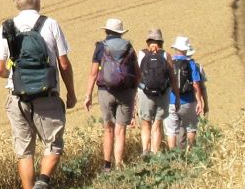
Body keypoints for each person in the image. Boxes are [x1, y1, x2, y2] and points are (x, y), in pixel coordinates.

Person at [0, 0, 76, 189]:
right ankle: (43, 182)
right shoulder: (50, 24)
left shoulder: (7, 27)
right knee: (53, 145)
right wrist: (71, 93)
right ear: (38, 1)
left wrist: (17, 77)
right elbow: (64, 64)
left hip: (17, 98)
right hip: (47, 95)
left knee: (24, 151)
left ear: (17, 3)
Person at [84, 16, 138, 172]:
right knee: (121, 130)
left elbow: (93, 73)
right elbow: (137, 72)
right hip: (126, 92)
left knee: (108, 129)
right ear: (120, 33)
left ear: (106, 31)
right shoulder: (129, 47)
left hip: (105, 91)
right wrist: (134, 93)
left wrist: (88, 95)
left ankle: (107, 166)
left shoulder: (101, 47)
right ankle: (119, 165)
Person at [134, 28, 174, 157]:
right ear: (161, 42)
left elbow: (137, 76)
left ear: (148, 41)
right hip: (162, 94)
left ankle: (145, 150)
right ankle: (155, 153)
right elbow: (172, 77)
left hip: (145, 93)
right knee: (157, 124)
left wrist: (135, 98)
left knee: (145, 123)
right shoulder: (166, 55)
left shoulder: (141, 54)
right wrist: (176, 96)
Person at [169, 34, 209, 152]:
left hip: (171, 101)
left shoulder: (169, 62)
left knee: (172, 131)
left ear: (175, 48)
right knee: (191, 128)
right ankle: (189, 152)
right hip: (188, 101)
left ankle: (172, 157)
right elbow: (196, 84)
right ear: (186, 49)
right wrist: (200, 101)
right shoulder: (192, 64)